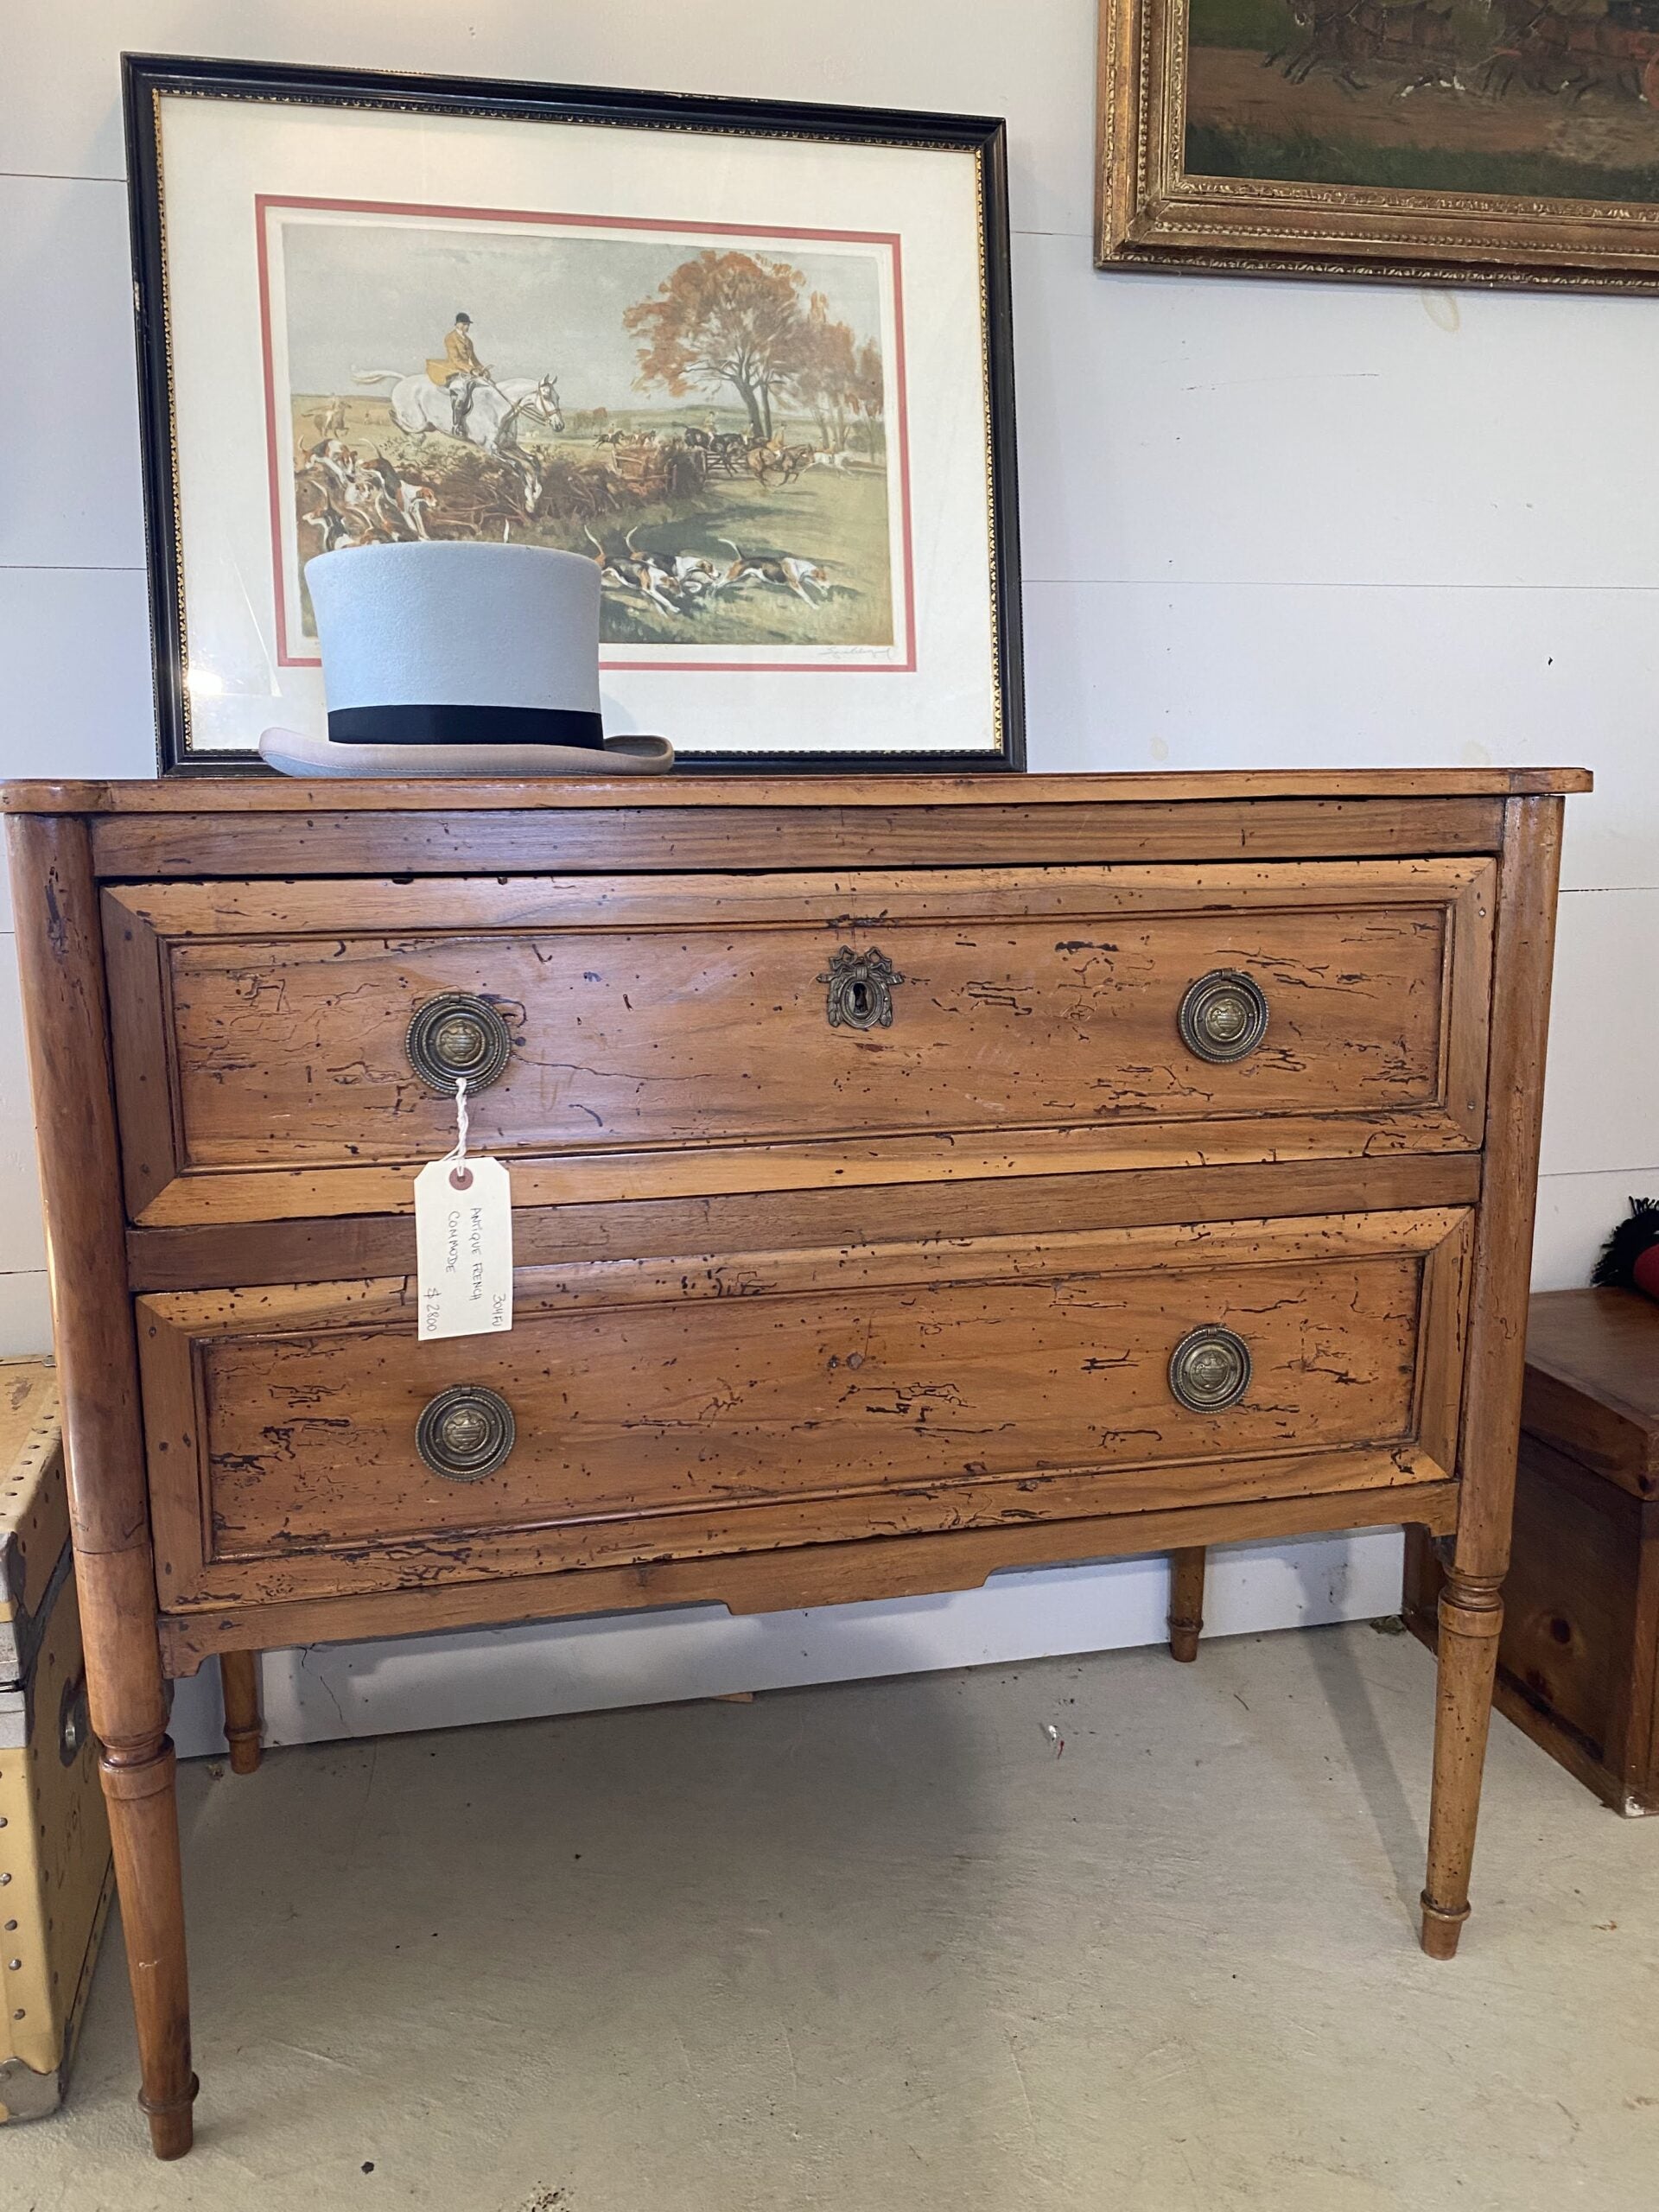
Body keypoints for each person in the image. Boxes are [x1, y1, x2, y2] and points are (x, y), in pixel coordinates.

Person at [425, 313, 492, 440]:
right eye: (465, 324)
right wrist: (472, 370)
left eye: (468, 325)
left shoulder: (468, 341)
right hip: (452, 371)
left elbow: (474, 359)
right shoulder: (450, 338)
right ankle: (456, 425)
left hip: (466, 371)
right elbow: (456, 360)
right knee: (462, 393)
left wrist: (482, 369)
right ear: (458, 324)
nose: (467, 327)